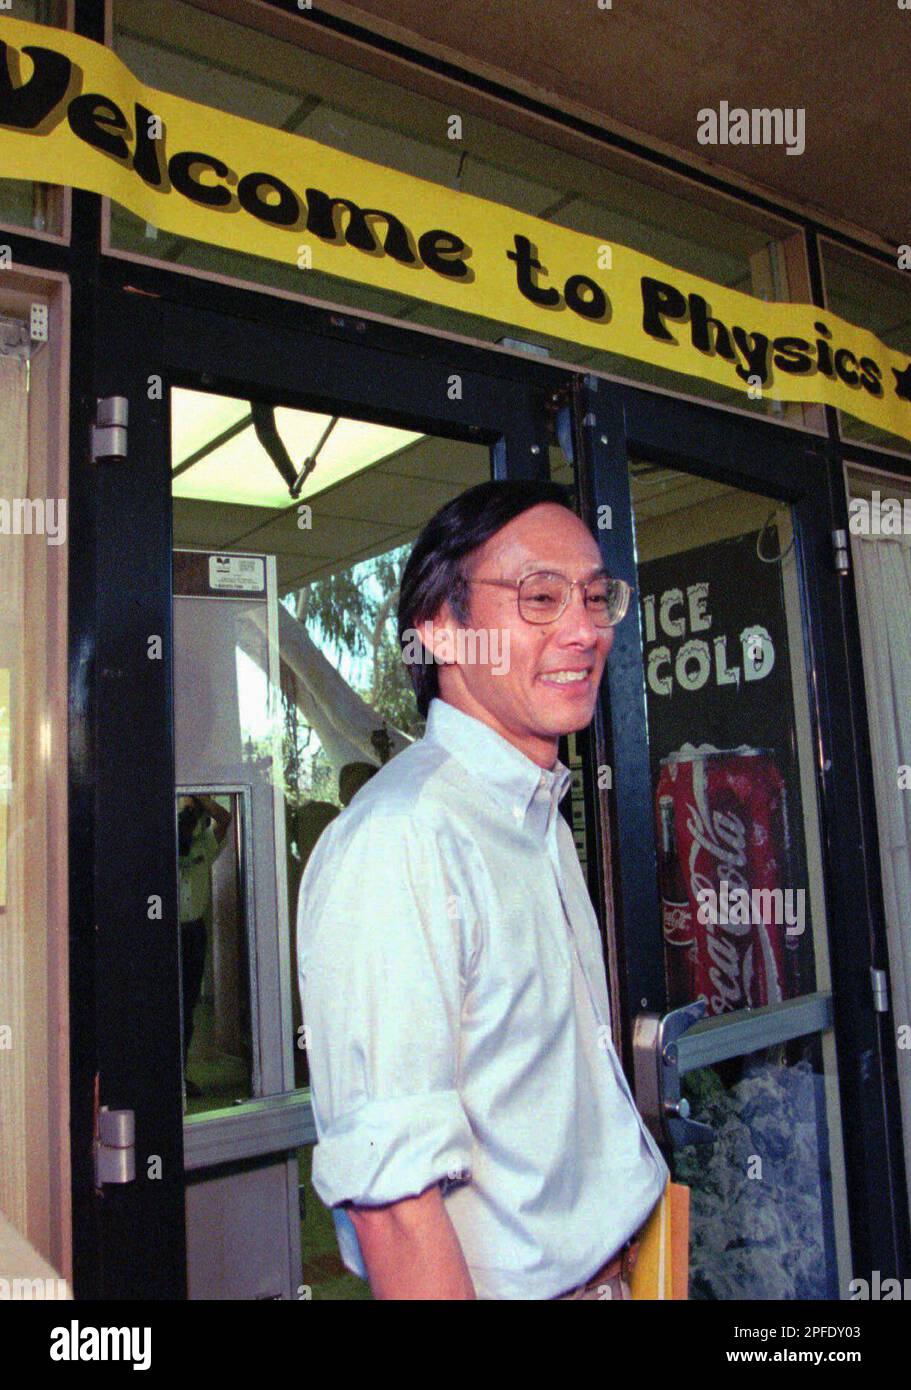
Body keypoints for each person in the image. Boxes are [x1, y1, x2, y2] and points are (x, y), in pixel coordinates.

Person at [296, 479, 669, 1300]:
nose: (584, 630)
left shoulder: (532, 813)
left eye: (596, 597)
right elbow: (394, 1206)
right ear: (439, 631)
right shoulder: (405, 838)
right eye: (539, 597)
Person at [177, 793, 231, 1098]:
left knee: (188, 1008)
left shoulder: (204, 845)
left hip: (193, 932)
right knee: (165, 1009)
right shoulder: (165, 843)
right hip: (166, 934)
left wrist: (201, 800)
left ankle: (180, 1077)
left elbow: (225, 819)